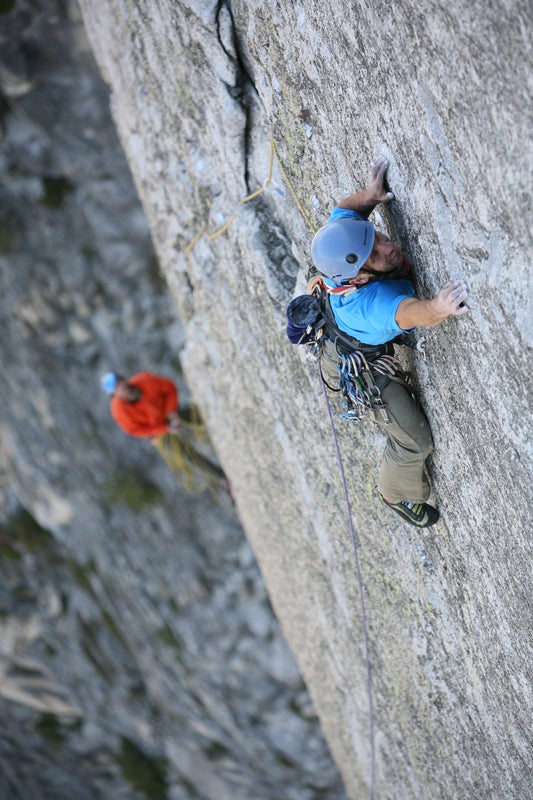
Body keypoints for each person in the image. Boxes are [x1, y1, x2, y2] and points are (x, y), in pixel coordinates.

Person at [307, 155, 468, 527]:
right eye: (376, 256)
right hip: (357, 365)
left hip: (339, 333)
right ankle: (394, 492)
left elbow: (344, 212)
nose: (387, 247)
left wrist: (371, 194)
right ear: (359, 278)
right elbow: (416, 313)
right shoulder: (372, 307)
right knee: (415, 439)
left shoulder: (345, 245)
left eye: (377, 239)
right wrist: (440, 306)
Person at [101, 371, 181, 438]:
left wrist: (171, 411)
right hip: (160, 434)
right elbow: (134, 429)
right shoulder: (118, 409)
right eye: (116, 387)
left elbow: (169, 387)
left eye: (120, 382)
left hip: (175, 414)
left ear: (124, 379)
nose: (121, 386)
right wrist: (165, 428)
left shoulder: (144, 380)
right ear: (114, 395)